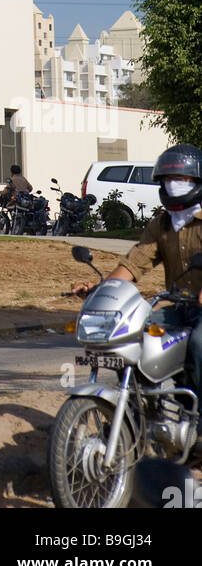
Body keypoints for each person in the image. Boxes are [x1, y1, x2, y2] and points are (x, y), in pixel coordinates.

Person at [73, 144, 202, 410]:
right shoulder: (162, 223)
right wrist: (101, 290)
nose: (173, 184)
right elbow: (133, 265)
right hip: (178, 309)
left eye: (181, 178)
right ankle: (142, 405)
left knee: (200, 343)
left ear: (197, 181)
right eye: (168, 179)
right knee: (132, 332)